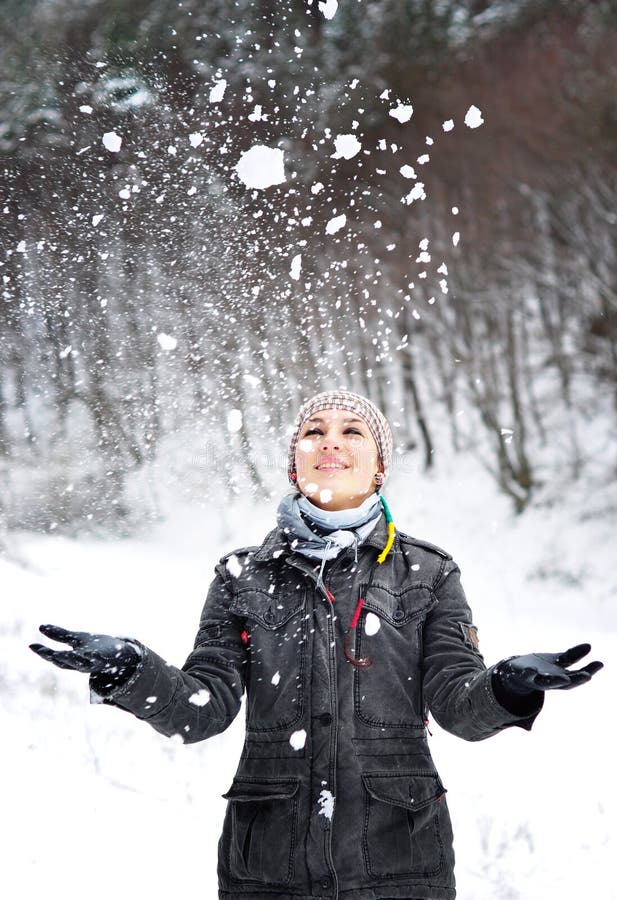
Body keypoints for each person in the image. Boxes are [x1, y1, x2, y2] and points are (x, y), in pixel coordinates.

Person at [30, 389, 603, 900]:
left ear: (379, 469)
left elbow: (458, 705)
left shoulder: (428, 573)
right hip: (269, 867)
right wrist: (133, 670)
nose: (330, 441)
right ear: (294, 464)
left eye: (352, 431)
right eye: (313, 431)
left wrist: (506, 686)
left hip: (399, 864)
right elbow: (203, 708)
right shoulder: (242, 577)